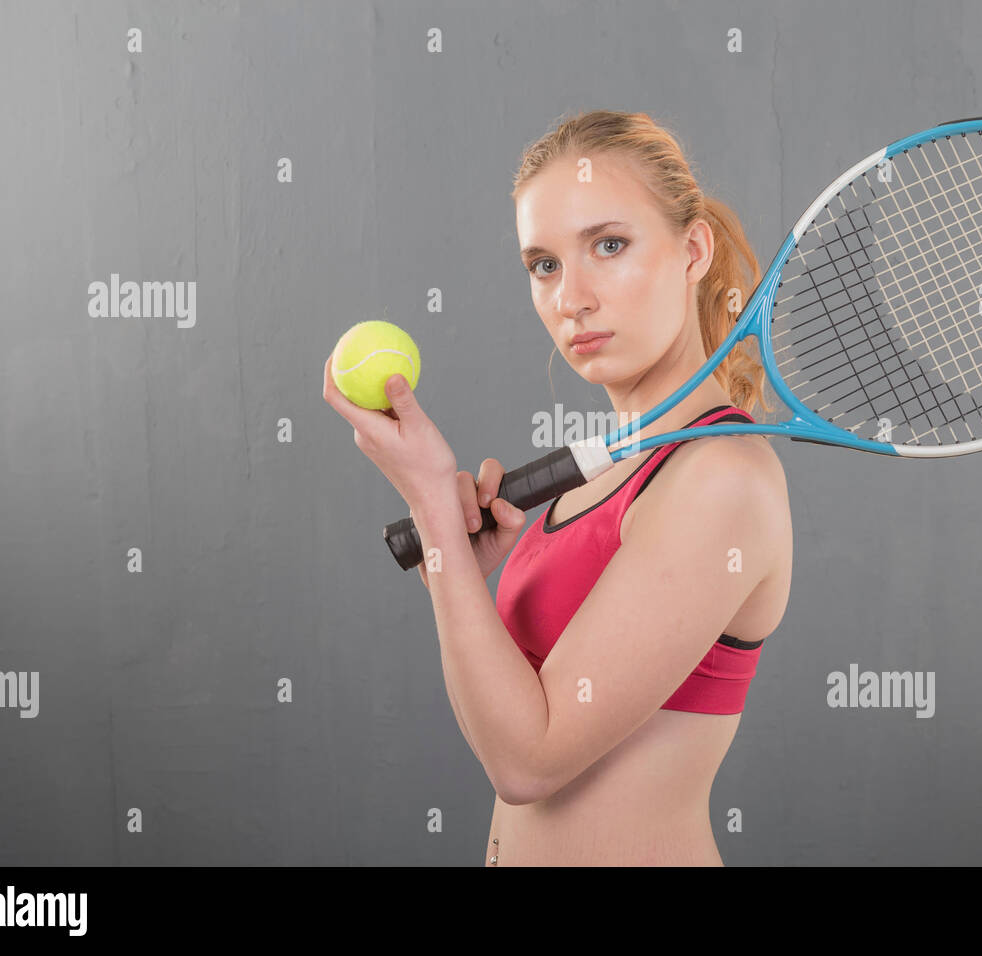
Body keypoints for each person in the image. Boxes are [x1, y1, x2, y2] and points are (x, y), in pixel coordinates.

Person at [323, 109, 793, 865]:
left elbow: (528, 763)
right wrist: (454, 568)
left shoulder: (719, 478)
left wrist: (434, 518)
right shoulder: (600, 477)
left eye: (609, 246)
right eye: (543, 265)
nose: (571, 297)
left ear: (693, 249)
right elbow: (504, 728)